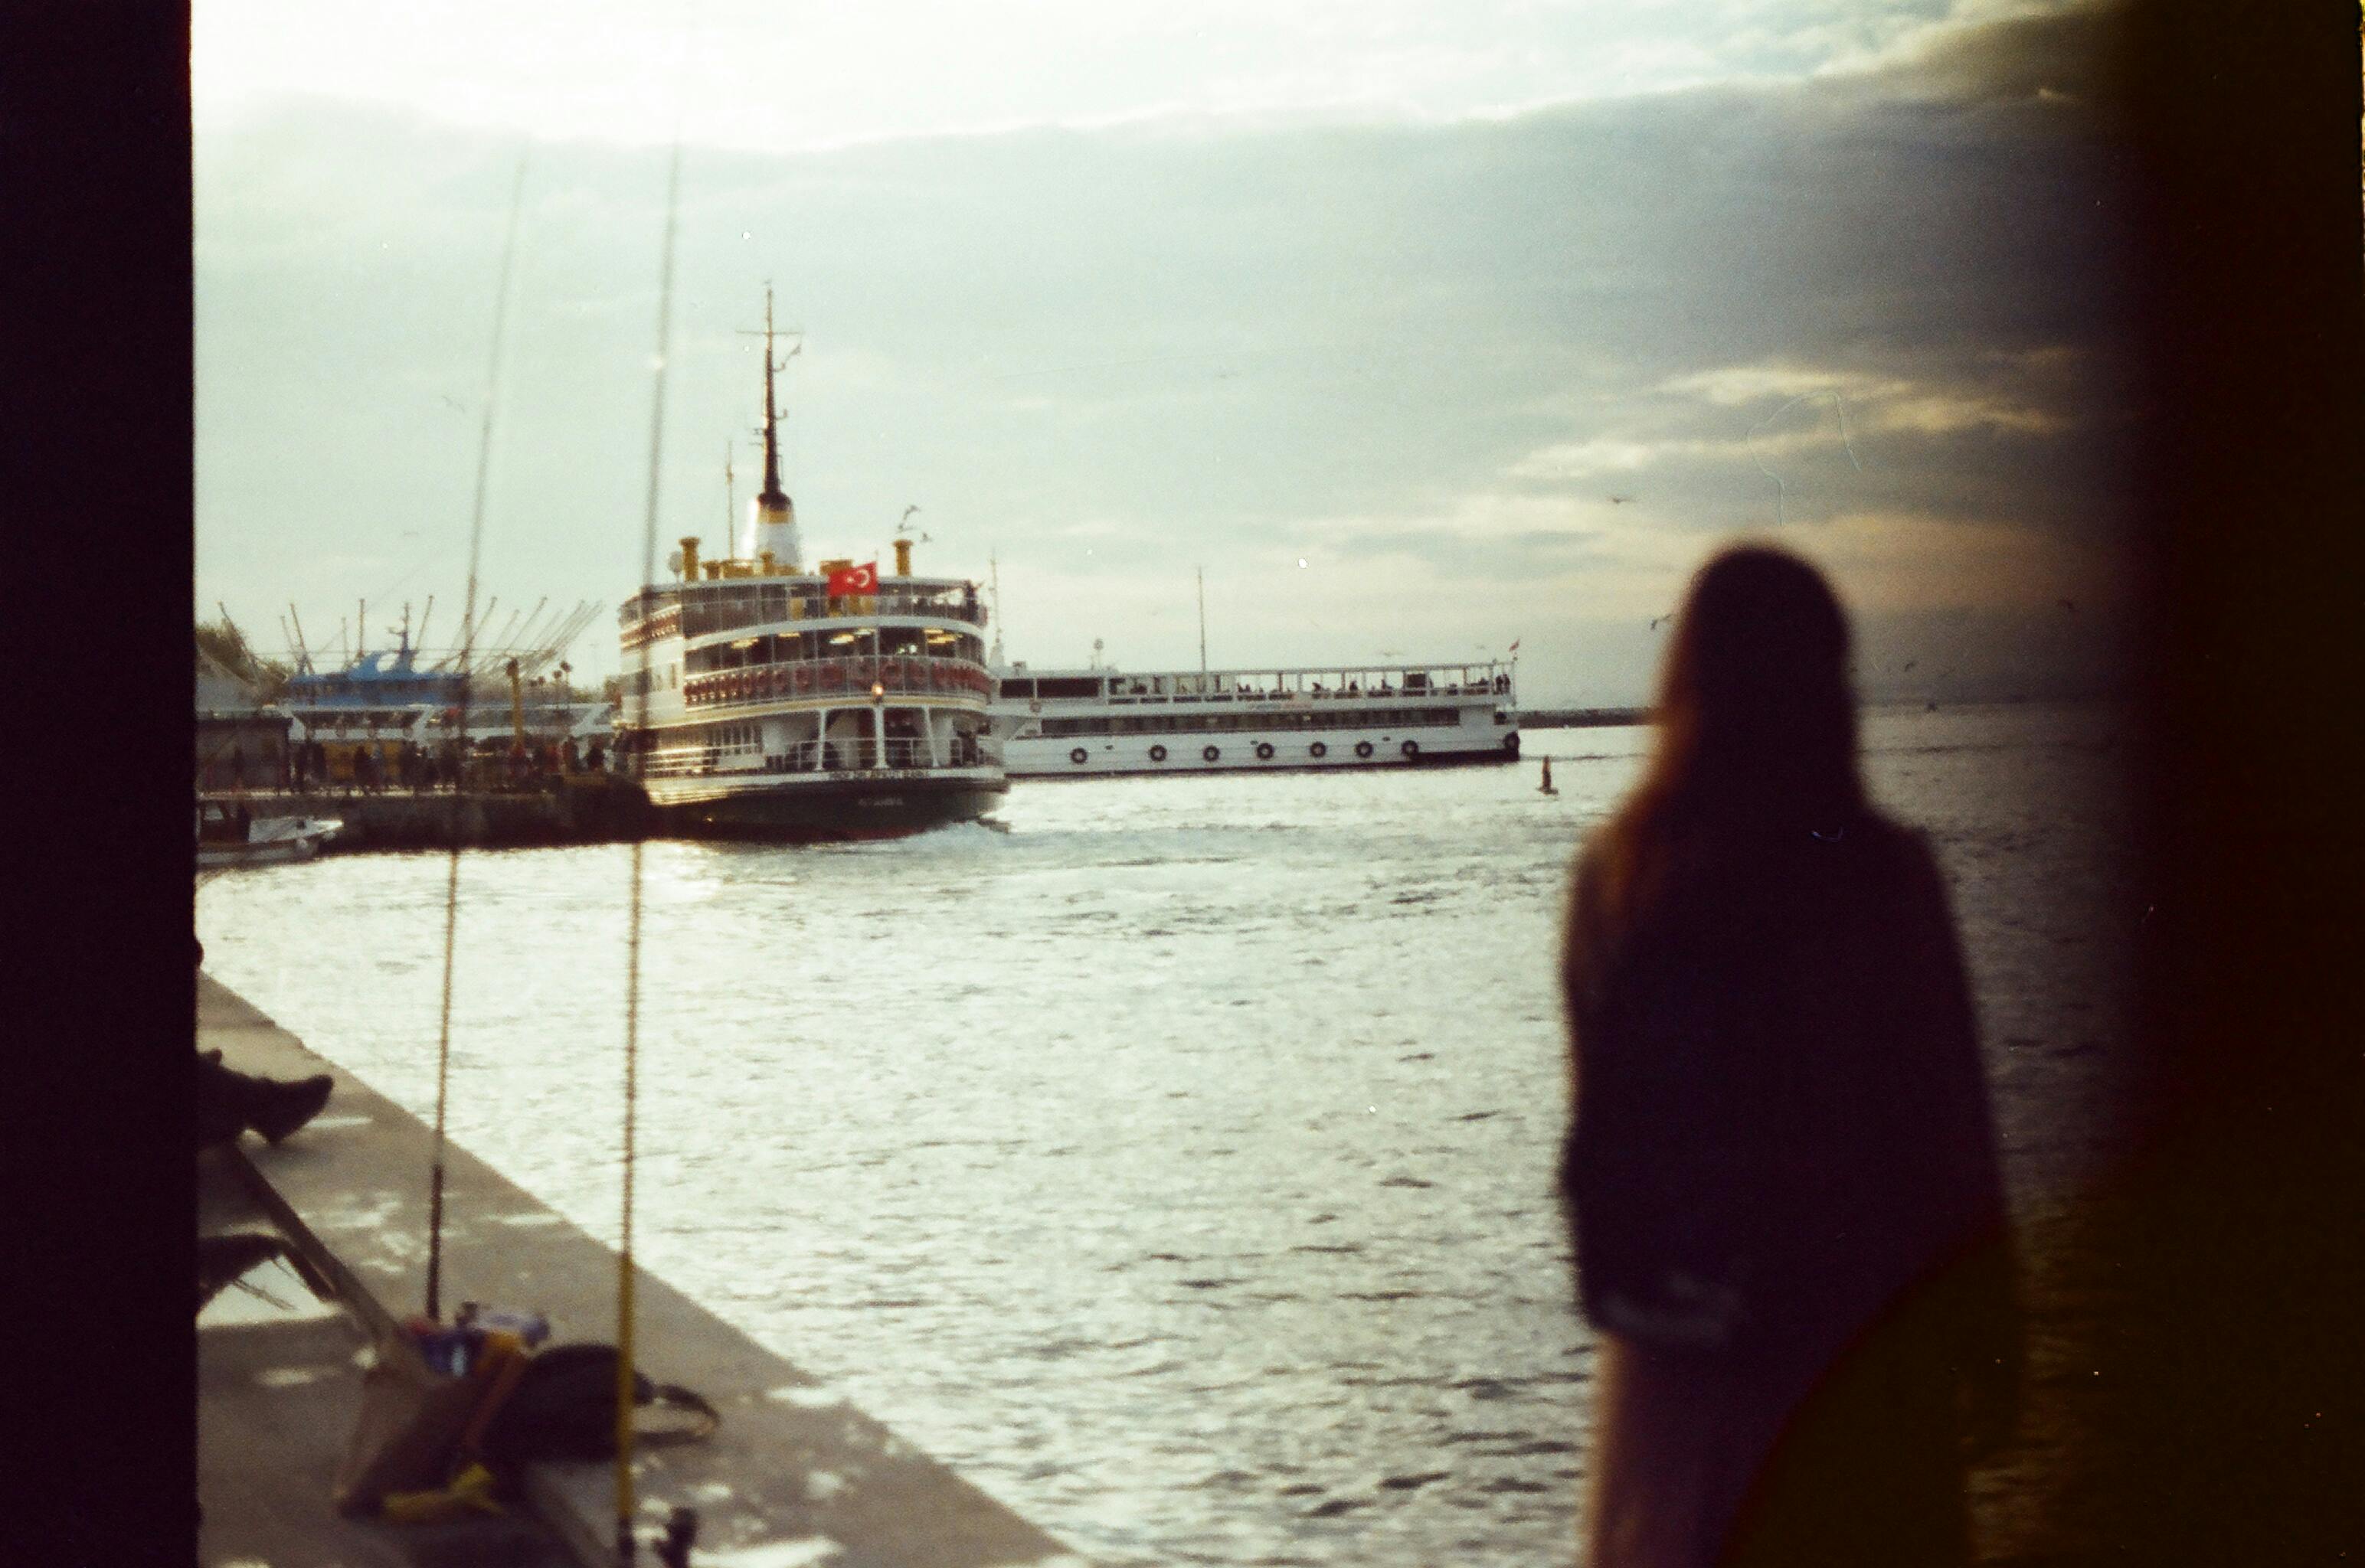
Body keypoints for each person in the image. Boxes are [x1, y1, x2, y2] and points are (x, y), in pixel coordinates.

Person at [1557, 544, 2018, 1568]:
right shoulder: (1886, 877)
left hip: (1674, 1394)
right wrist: (1994, 1334)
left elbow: (1602, 1135)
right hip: (1853, 1366)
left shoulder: (1615, 878)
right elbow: (1951, 1133)